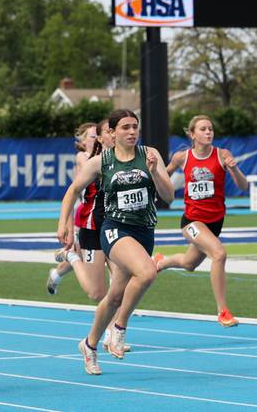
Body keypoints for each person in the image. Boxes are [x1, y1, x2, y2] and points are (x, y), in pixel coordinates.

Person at [58, 109, 174, 375]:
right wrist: (63, 223)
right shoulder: (101, 162)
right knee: (147, 272)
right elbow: (73, 190)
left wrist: (156, 172)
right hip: (114, 229)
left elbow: (169, 195)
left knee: (113, 296)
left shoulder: (150, 155)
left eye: (135, 126)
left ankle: (89, 345)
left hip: (144, 230)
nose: (132, 132)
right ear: (111, 132)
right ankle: (119, 328)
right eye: (125, 127)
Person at [154, 115, 248, 327]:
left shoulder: (222, 155)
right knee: (219, 254)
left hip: (215, 222)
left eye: (210, 129)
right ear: (192, 134)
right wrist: (152, 173)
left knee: (189, 264)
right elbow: (163, 176)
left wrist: (234, 168)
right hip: (191, 221)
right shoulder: (182, 157)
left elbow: (243, 187)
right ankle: (223, 310)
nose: (208, 132)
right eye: (203, 129)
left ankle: (160, 262)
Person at [47, 122, 109, 301]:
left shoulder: (108, 157)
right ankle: (69, 258)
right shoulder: (84, 157)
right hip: (85, 213)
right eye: (90, 136)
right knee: (84, 255)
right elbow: (73, 193)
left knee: (86, 255)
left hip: (104, 214)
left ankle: (59, 272)